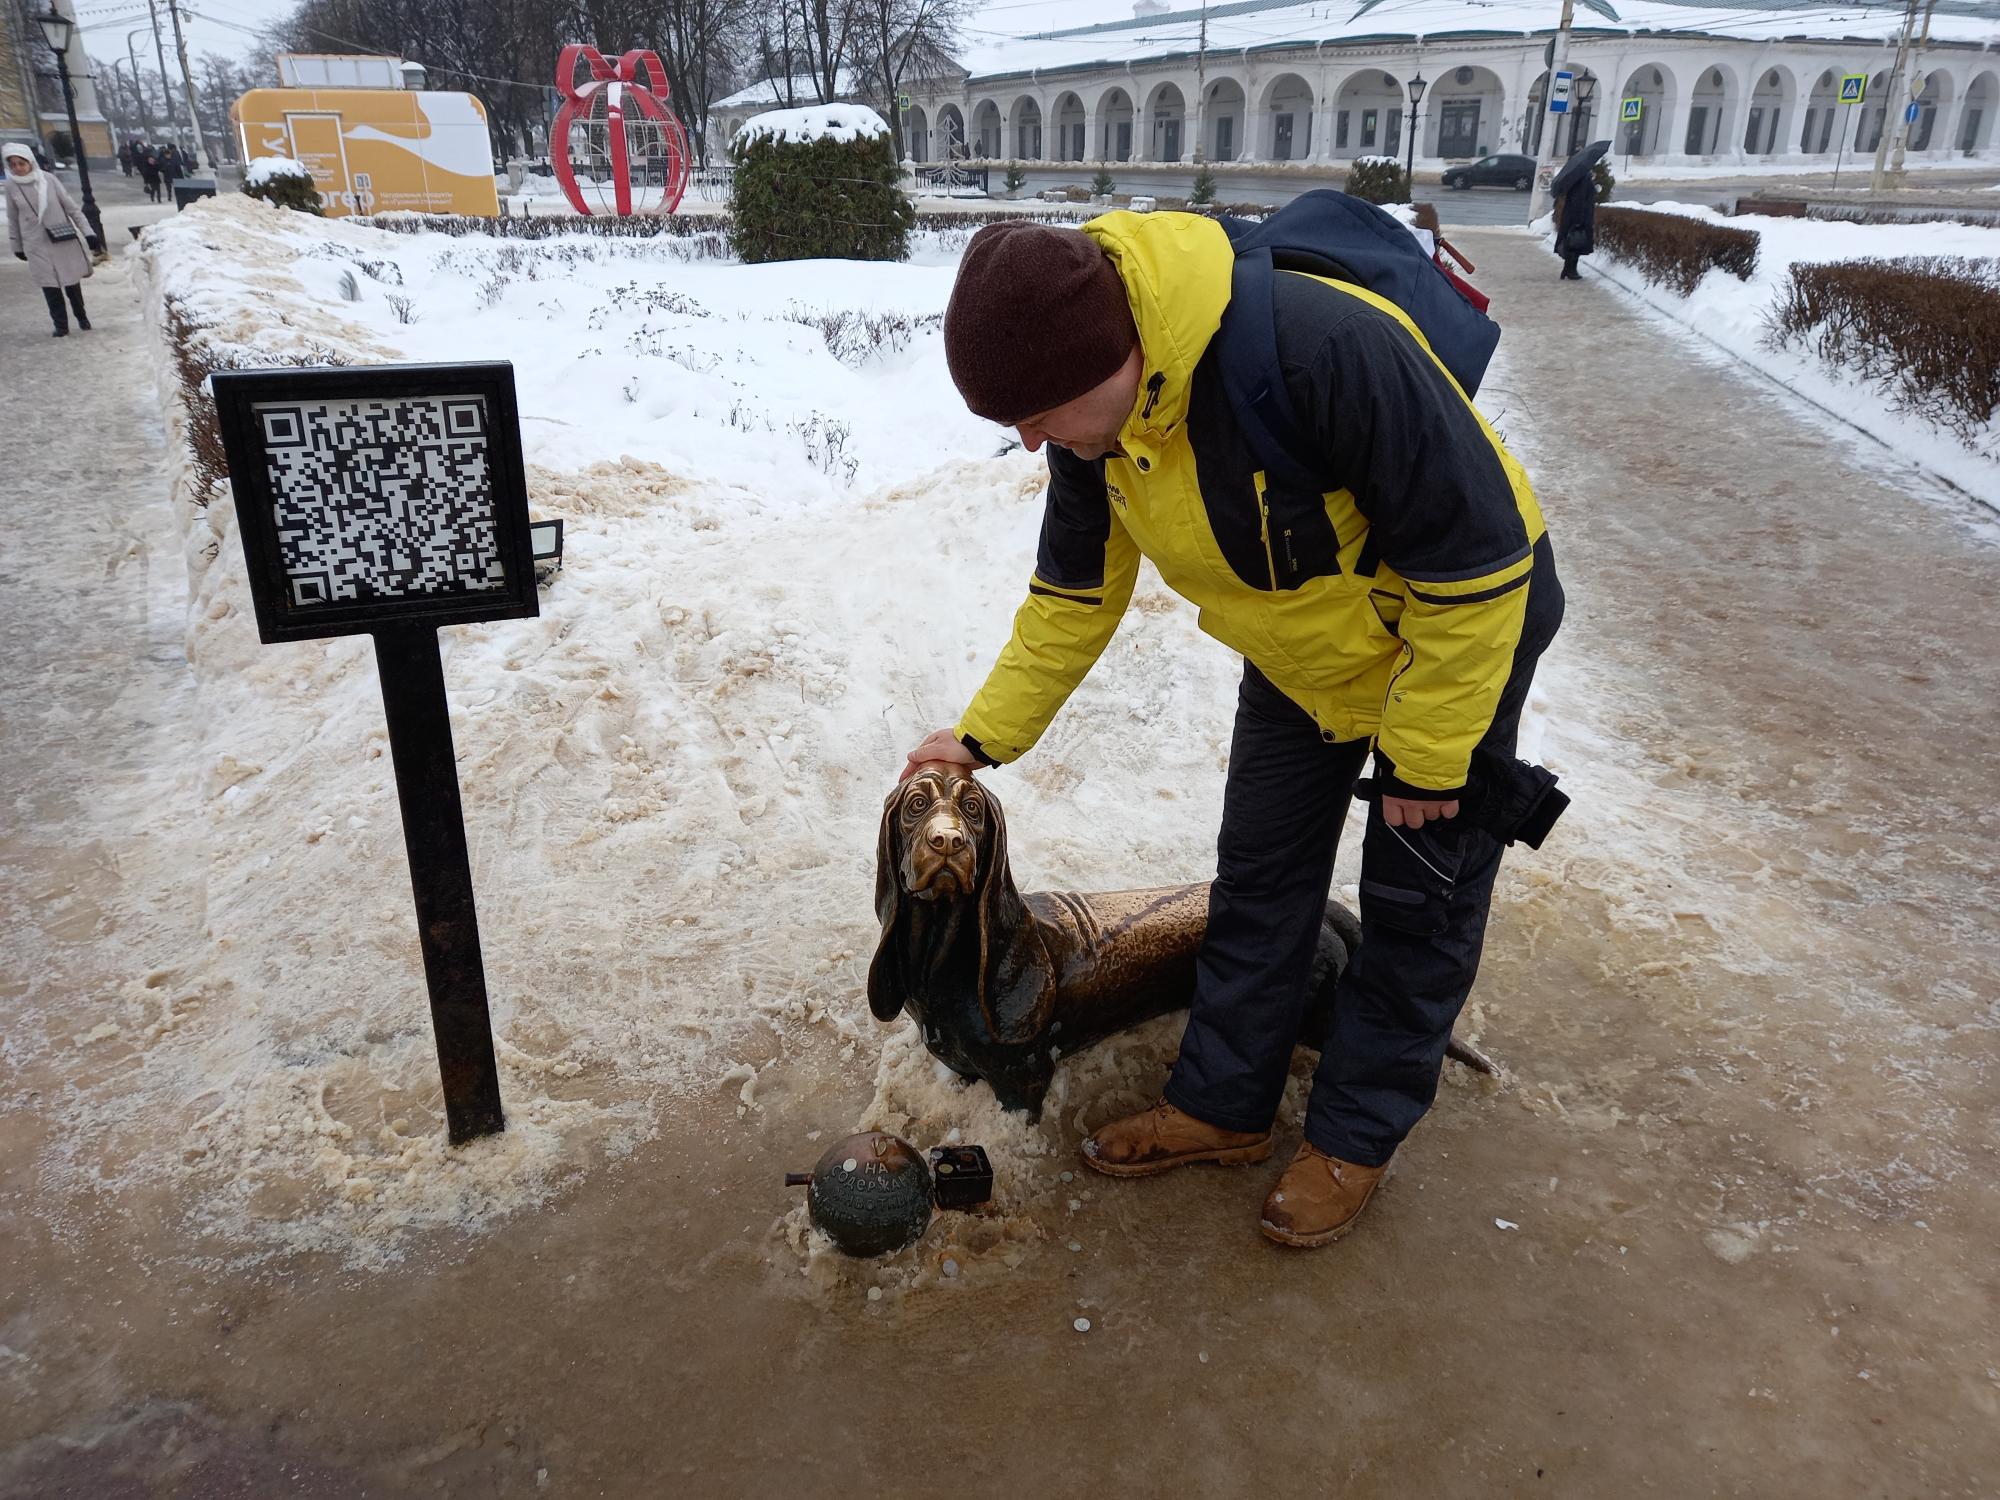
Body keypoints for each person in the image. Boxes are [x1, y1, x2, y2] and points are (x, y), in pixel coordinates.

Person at [904, 213, 1563, 1248]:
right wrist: (978, 739)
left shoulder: (1322, 346)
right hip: (1303, 653)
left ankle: (1353, 1133)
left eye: (1038, 413)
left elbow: (1476, 566)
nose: (1031, 442)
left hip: (1452, 633)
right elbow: (1072, 596)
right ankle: (1222, 1102)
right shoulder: (1101, 427)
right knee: (1258, 874)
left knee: (1415, 899)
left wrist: (1429, 756)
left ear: (1113, 354)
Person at [5, 142, 94, 336]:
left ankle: (82, 317)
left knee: (71, 283)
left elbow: (71, 208)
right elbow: (12, 218)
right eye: (13, 164)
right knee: (49, 286)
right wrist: (17, 246)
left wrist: (89, 233)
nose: (17, 168)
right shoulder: (11, 186)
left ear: (30, 162)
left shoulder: (49, 180)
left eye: (21, 163)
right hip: (35, 242)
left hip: (61, 238)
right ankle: (61, 325)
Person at [1555, 181, 1596, 281]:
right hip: (1578, 218)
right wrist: (1579, 221)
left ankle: (1568, 269)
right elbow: (1579, 200)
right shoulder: (1583, 179)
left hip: (1571, 216)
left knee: (1571, 243)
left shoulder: (1576, 178)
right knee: (1576, 243)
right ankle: (1571, 270)